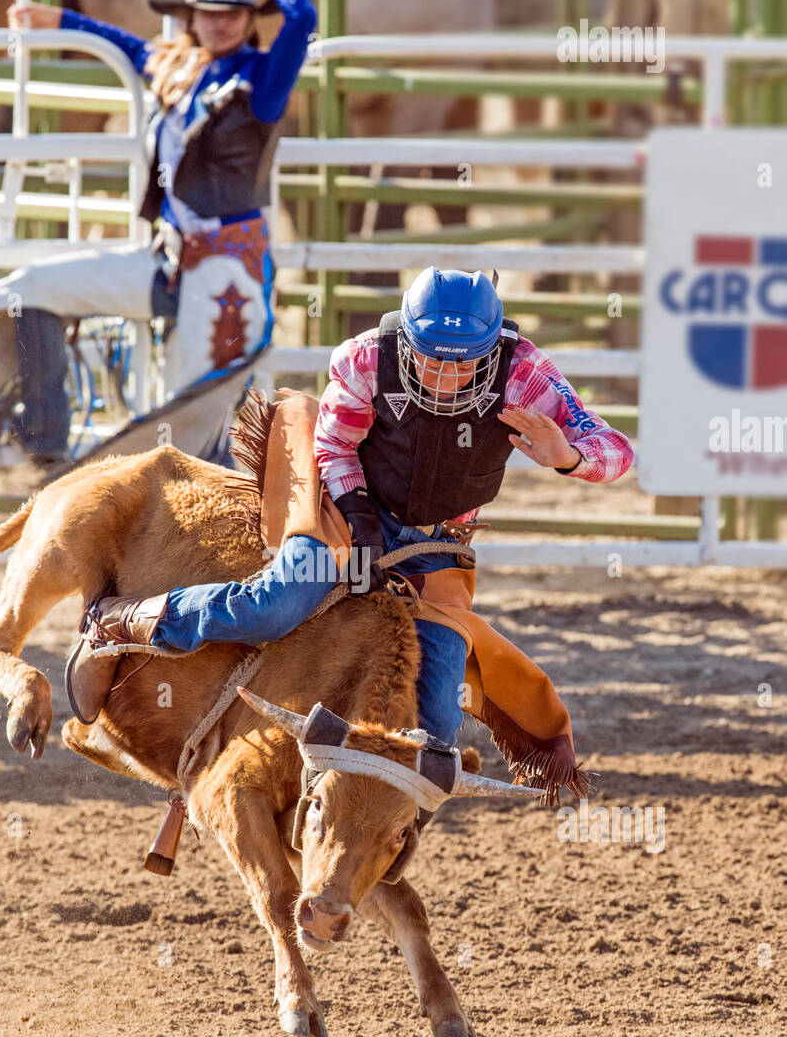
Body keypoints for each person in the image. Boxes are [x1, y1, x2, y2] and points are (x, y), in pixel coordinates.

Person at [66, 267, 635, 740]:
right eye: (432, 358)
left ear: (491, 351)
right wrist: (360, 518)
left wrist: (567, 457)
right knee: (275, 607)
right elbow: (335, 445)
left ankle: (382, 826)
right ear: (408, 341)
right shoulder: (366, 359)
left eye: (463, 362)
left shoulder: (526, 374)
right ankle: (123, 622)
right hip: (346, 510)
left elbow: (616, 451)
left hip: (436, 543)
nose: (444, 376)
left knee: (438, 713)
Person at [0, 0, 316, 462]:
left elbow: (303, 19)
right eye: (208, 12)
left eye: (232, 13)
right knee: (34, 288)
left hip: (229, 270)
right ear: (192, 18)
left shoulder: (262, 82)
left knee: (195, 418)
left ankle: (210, 528)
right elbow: (122, 43)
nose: (220, 23)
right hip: (168, 259)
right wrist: (59, 21)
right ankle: (45, 436)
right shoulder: (176, 70)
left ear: (250, 19)